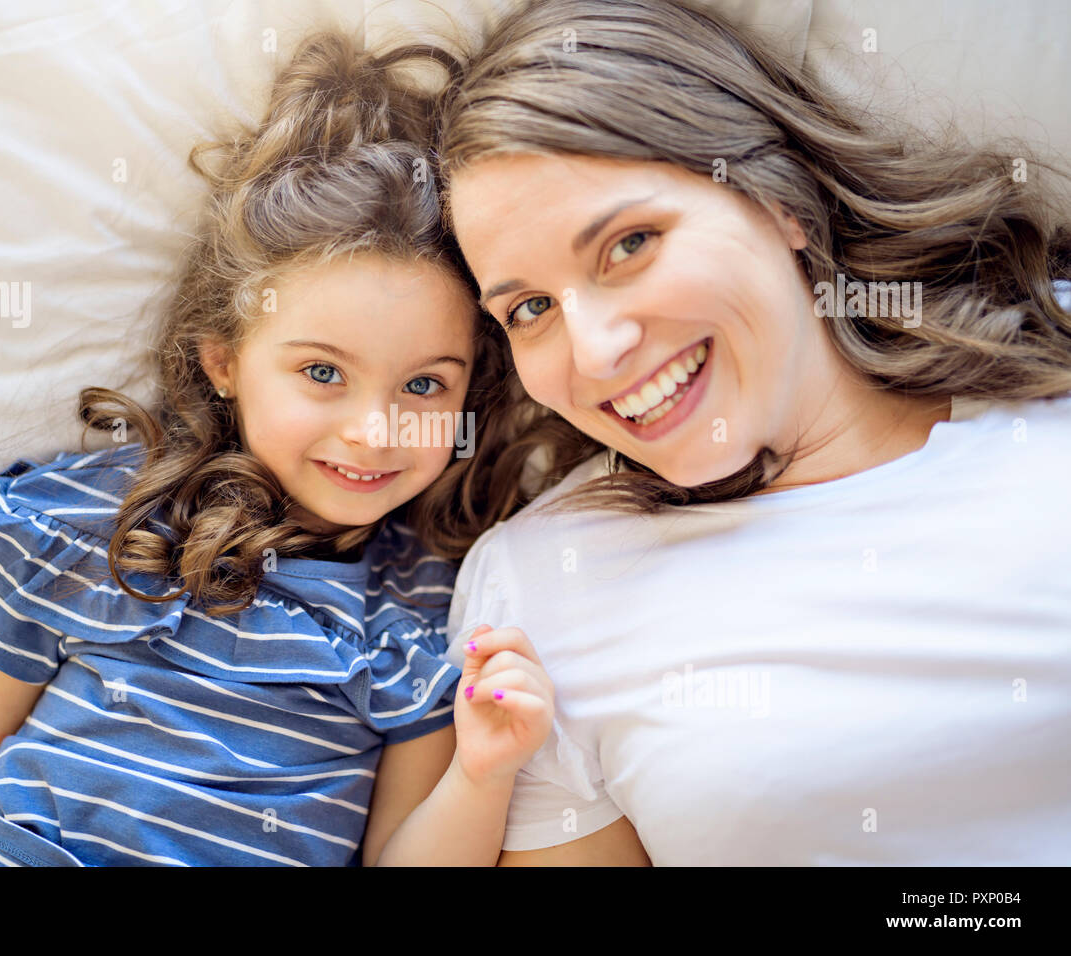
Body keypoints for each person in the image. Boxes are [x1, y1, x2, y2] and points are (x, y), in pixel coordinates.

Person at [0, 31, 556, 867]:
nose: (375, 430)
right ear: (223, 361)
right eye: (323, 371)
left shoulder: (419, 610)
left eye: (423, 386)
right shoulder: (103, 519)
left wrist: (483, 775)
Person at [436, 0, 1071, 864]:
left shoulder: (1051, 364)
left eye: (629, 245)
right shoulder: (539, 594)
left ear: (780, 204)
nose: (596, 351)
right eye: (532, 308)